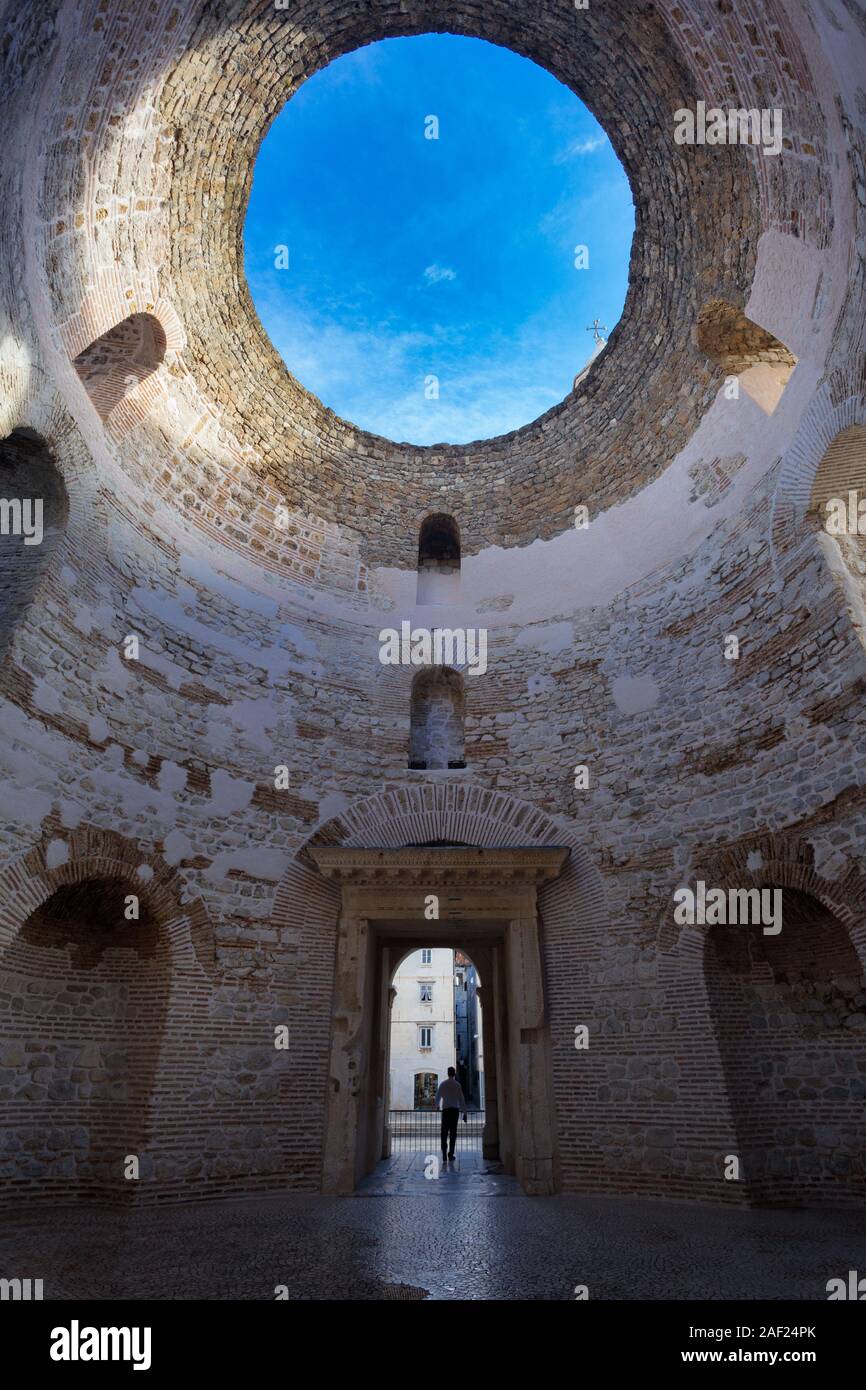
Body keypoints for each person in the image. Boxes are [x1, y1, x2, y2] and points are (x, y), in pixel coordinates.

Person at [435, 1067, 468, 1163]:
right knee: (453, 1133)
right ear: (454, 1074)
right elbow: (461, 1100)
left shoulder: (443, 1084)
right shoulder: (457, 1085)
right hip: (454, 1111)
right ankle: (451, 1154)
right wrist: (465, 1113)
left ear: (447, 1073)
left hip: (445, 1111)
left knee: (444, 1133)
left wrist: (437, 1106)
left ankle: (444, 1153)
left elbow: (437, 1097)